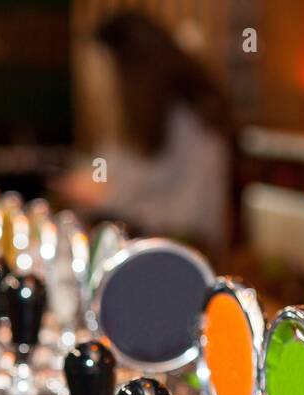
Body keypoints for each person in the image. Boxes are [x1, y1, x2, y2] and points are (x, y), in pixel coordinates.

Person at [55, 12, 232, 254]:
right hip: (141, 250)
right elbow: (110, 171)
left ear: (129, 72)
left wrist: (107, 196)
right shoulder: (133, 120)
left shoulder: (193, 120)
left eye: (103, 73)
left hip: (183, 259)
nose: (98, 87)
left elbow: (192, 220)